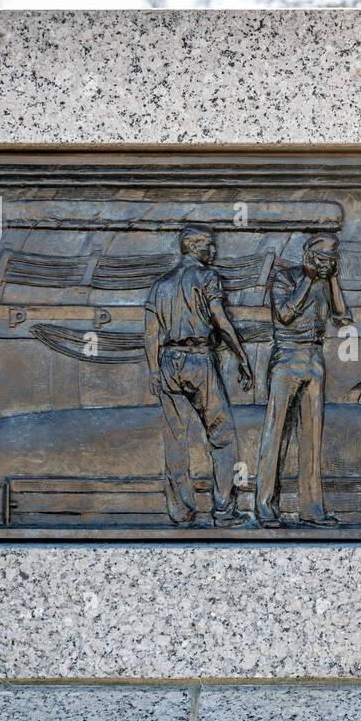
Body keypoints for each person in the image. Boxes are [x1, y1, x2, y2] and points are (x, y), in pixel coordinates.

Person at [145, 226, 253, 527]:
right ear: (193, 246)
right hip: (198, 360)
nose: (214, 251)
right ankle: (223, 510)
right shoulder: (207, 277)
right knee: (223, 435)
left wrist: (154, 368)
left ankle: (181, 512)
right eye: (209, 244)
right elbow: (221, 321)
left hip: (167, 361)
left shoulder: (160, 284)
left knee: (175, 439)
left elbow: (151, 331)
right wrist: (241, 356)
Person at [255, 233, 351, 528]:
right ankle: (265, 506)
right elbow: (284, 314)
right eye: (321, 260)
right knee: (276, 435)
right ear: (308, 255)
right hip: (286, 358)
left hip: (314, 359)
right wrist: (308, 280)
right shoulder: (284, 278)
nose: (324, 265)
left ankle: (312, 508)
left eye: (330, 261)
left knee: (312, 438)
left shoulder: (326, 281)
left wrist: (332, 280)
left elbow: (342, 316)